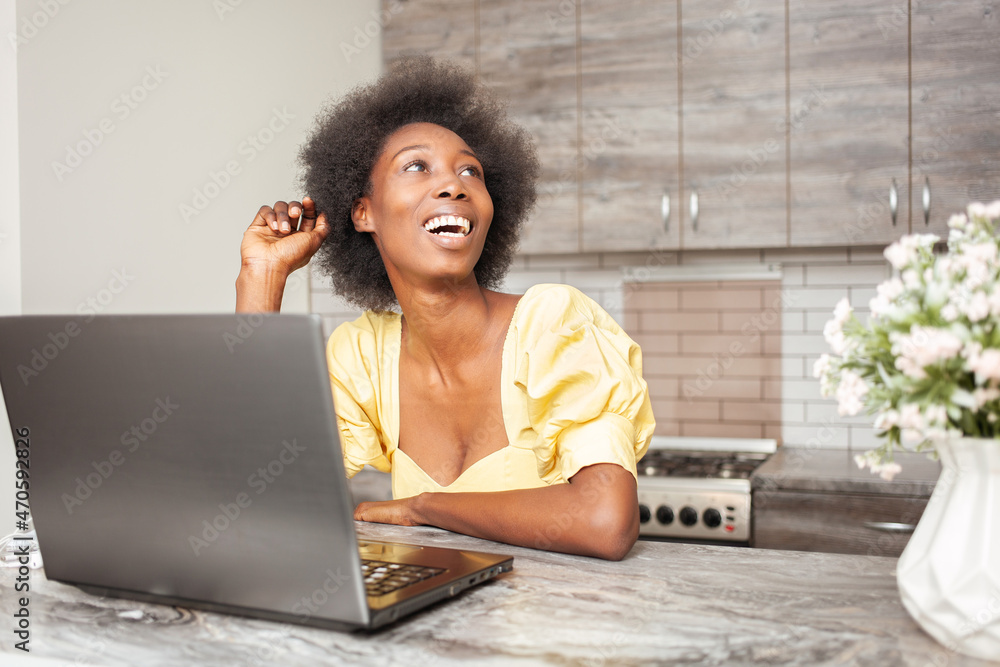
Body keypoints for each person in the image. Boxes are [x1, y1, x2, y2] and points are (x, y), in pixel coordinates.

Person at [235, 58, 654, 561]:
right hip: (426, 626)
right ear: (363, 211)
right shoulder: (364, 354)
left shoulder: (553, 325)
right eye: (416, 166)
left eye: (470, 171)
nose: (454, 185)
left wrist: (426, 508)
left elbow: (604, 521)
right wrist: (262, 277)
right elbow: (256, 491)